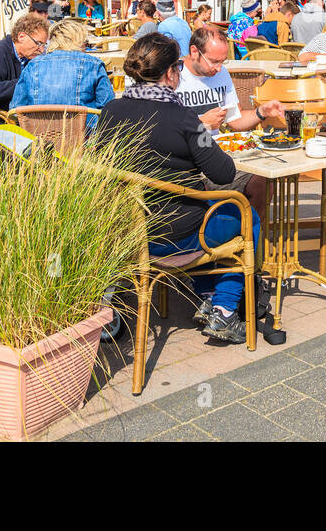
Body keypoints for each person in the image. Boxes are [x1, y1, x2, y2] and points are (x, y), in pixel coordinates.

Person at [92, 33, 259, 343]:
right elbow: (224, 173)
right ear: (170, 73)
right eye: (178, 68)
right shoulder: (184, 117)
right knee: (244, 214)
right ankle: (223, 310)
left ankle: (207, 294)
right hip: (176, 235)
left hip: (125, 232)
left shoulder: (111, 111)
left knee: (210, 214)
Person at [174, 28, 283, 212]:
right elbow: (165, 129)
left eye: (222, 61)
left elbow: (235, 121)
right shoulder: (174, 76)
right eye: (214, 61)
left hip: (217, 159)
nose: (218, 68)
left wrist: (261, 112)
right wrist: (201, 123)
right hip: (186, 164)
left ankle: (251, 236)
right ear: (194, 52)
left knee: (263, 182)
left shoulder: (221, 73)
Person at [9, 17, 112, 126]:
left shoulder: (33, 65)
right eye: (85, 42)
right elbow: (108, 107)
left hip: (39, 138)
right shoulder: (93, 64)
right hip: (85, 139)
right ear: (78, 40)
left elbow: (16, 109)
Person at [0, 13, 49, 111]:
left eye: (44, 45)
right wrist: (24, 83)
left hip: (18, 114)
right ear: (21, 37)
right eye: (38, 43)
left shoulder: (27, 58)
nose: (41, 50)